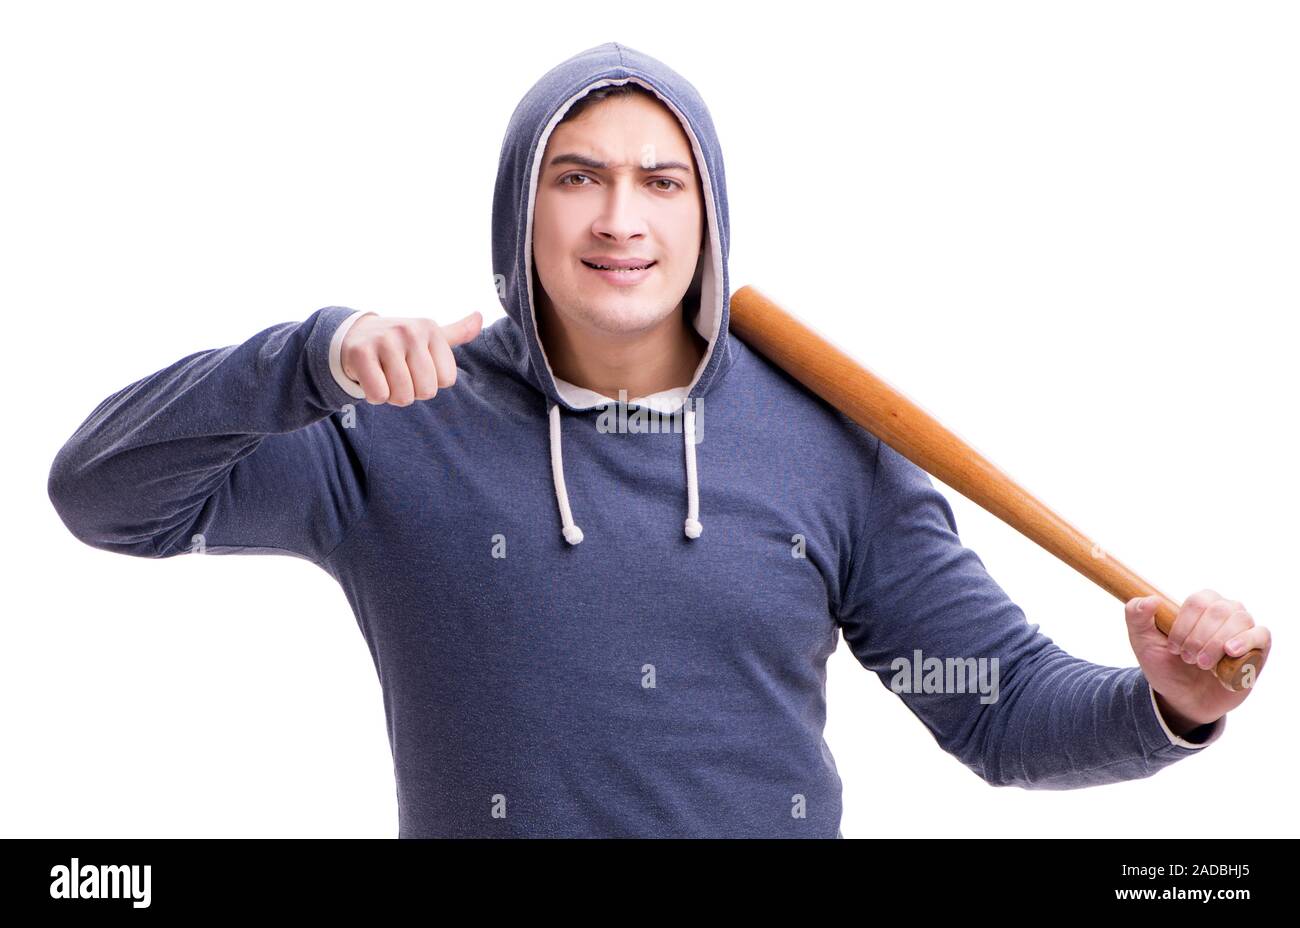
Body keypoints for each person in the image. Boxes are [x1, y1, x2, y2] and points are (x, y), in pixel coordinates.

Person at [48, 42, 1269, 839]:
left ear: (709, 211)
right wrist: (303, 358)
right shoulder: (389, 423)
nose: (619, 219)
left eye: (660, 180)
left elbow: (997, 710)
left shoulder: (830, 447)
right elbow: (106, 496)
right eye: (576, 178)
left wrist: (1161, 706)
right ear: (518, 206)